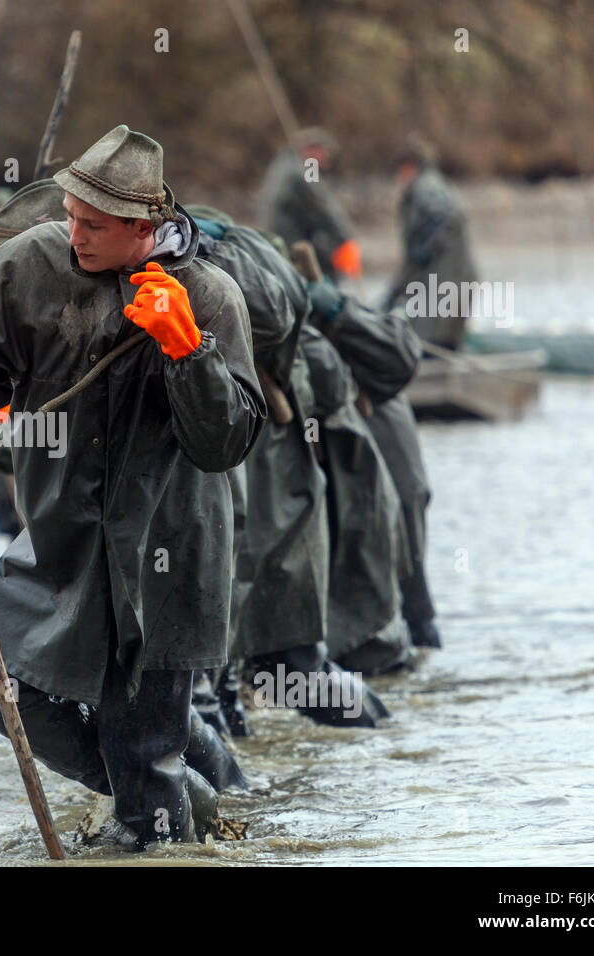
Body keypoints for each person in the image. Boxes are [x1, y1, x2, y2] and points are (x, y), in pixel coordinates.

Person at [0, 127, 266, 848]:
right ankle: (195, 796)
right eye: (69, 214)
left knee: (143, 777)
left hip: (161, 560)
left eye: (94, 225)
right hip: (60, 539)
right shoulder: (32, 263)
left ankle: (165, 813)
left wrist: (188, 352)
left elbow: (224, 444)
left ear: (143, 227)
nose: (75, 234)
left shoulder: (209, 296)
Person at [187, 206, 391, 729]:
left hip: (276, 514)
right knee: (259, 672)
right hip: (287, 512)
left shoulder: (225, 318)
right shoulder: (285, 340)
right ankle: (385, 741)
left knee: (272, 671)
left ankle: (235, 788)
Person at [310, 275, 441, 648]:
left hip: (395, 489)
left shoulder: (365, 337)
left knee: (400, 528)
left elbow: (410, 491)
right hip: (372, 479)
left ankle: (413, 632)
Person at [382, 134, 480, 351]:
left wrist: (424, 248)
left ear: (412, 166)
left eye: (402, 167)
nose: (400, 175)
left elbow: (447, 217)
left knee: (434, 338)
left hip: (447, 281)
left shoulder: (427, 187)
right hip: (446, 281)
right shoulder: (430, 186)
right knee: (438, 337)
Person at [258, 128, 362, 283]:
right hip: (289, 245)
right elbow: (324, 209)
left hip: (275, 242)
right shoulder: (301, 171)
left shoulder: (282, 165)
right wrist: (345, 241)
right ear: (311, 149)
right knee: (328, 268)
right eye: (324, 152)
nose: (327, 158)